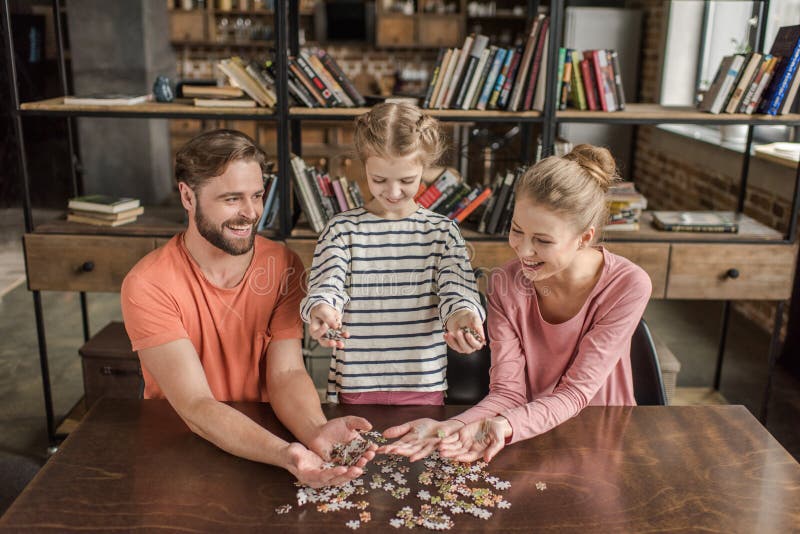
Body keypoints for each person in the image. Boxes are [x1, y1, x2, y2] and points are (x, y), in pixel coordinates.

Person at [121, 129, 374, 487]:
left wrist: (315, 431)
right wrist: (287, 454)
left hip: (265, 439)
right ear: (187, 196)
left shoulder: (283, 264)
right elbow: (195, 406)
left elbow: (285, 373)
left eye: (257, 195)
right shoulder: (147, 283)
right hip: (181, 447)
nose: (251, 212)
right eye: (231, 199)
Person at [380, 144, 652, 462]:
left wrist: (507, 425)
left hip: (598, 438)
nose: (523, 251)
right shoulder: (507, 283)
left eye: (543, 241)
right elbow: (508, 393)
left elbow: (577, 392)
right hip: (524, 434)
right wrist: (450, 428)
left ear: (585, 238)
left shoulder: (628, 285)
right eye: (517, 231)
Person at [300, 102, 486, 406]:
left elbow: (458, 290)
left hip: (422, 382)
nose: (394, 192)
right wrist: (323, 309)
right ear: (364, 167)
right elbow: (326, 284)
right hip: (357, 382)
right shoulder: (342, 229)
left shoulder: (442, 232)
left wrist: (464, 316)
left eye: (406, 180)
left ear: (425, 169)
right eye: (379, 180)